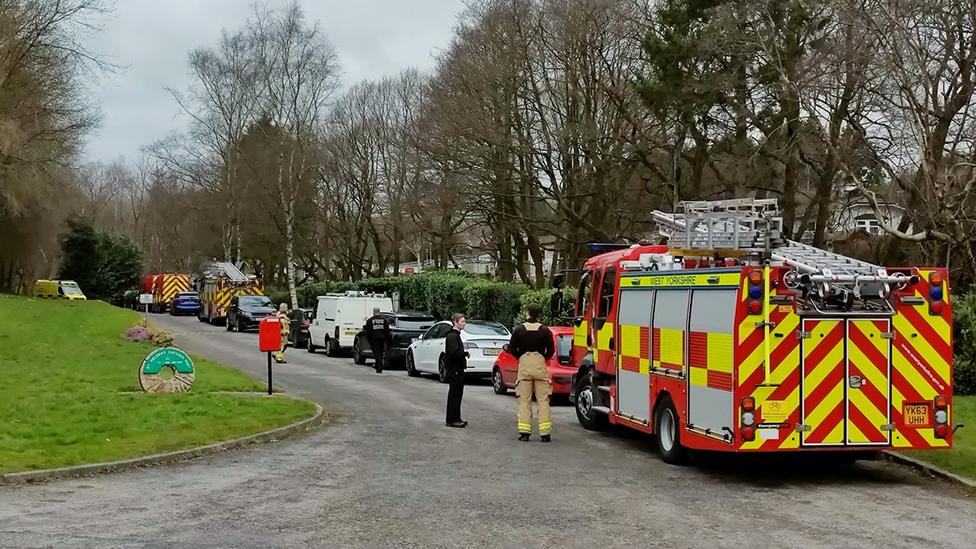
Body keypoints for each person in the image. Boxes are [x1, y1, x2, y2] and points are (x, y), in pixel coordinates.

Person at [508, 304, 555, 442]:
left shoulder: (519, 330)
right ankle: (545, 434)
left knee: (524, 401)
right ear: (539, 314)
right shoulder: (545, 331)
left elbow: (512, 348)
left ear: (527, 313)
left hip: (524, 367)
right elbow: (551, 350)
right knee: (543, 401)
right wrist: (542, 358)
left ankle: (524, 433)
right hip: (540, 366)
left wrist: (521, 357)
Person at [444, 313, 469, 428]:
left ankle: (456, 417)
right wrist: (464, 353)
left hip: (458, 369)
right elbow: (454, 353)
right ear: (455, 322)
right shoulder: (452, 337)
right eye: (462, 321)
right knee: (454, 394)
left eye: (464, 321)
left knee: (458, 394)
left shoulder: (456, 335)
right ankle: (451, 419)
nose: (464, 323)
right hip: (455, 369)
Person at [364, 307, 391, 374]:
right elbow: (387, 330)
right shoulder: (384, 320)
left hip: (374, 340)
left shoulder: (370, 320)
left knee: (376, 354)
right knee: (381, 353)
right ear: (379, 312)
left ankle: (379, 368)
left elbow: (368, 331)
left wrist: (369, 340)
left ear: (373, 312)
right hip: (382, 339)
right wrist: (386, 338)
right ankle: (378, 366)